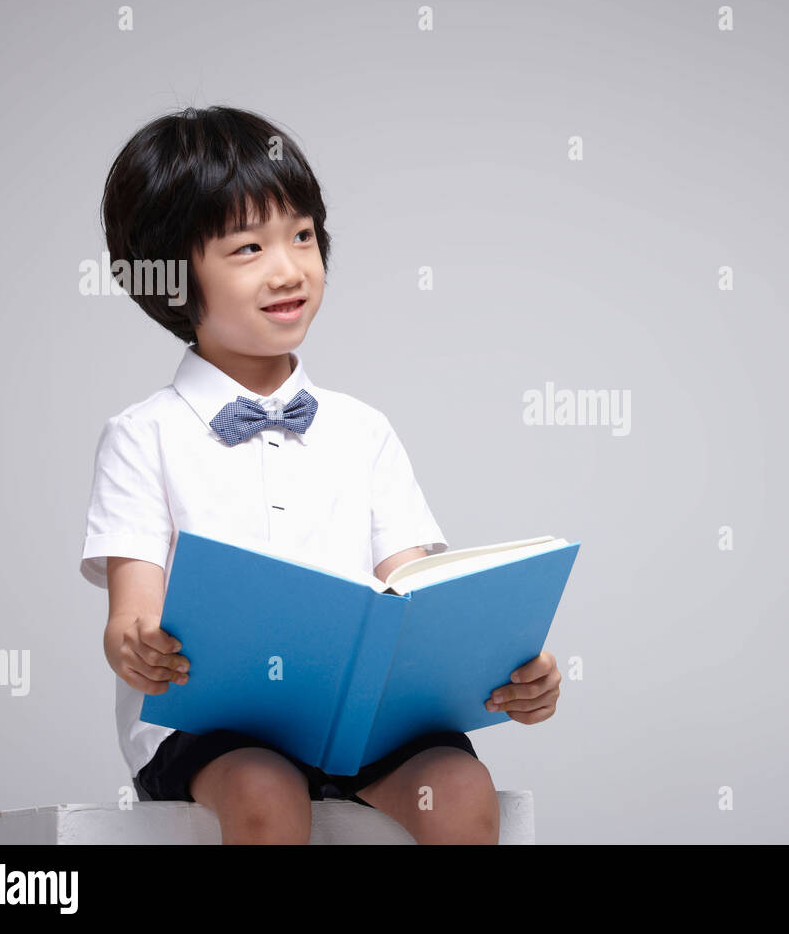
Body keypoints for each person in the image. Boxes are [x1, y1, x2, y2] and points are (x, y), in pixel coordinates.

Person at [80, 106, 561, 844]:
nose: (289, 268)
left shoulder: (363, 430)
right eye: (247, 248)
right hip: (215, 730)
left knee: (462, 785)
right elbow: (130, 616)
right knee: (264, 787)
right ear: (174, 278)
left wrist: (506, 664)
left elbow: (413, 595)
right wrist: (138, 645)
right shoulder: (143, 436)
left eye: (302, 236)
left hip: (359, 725)